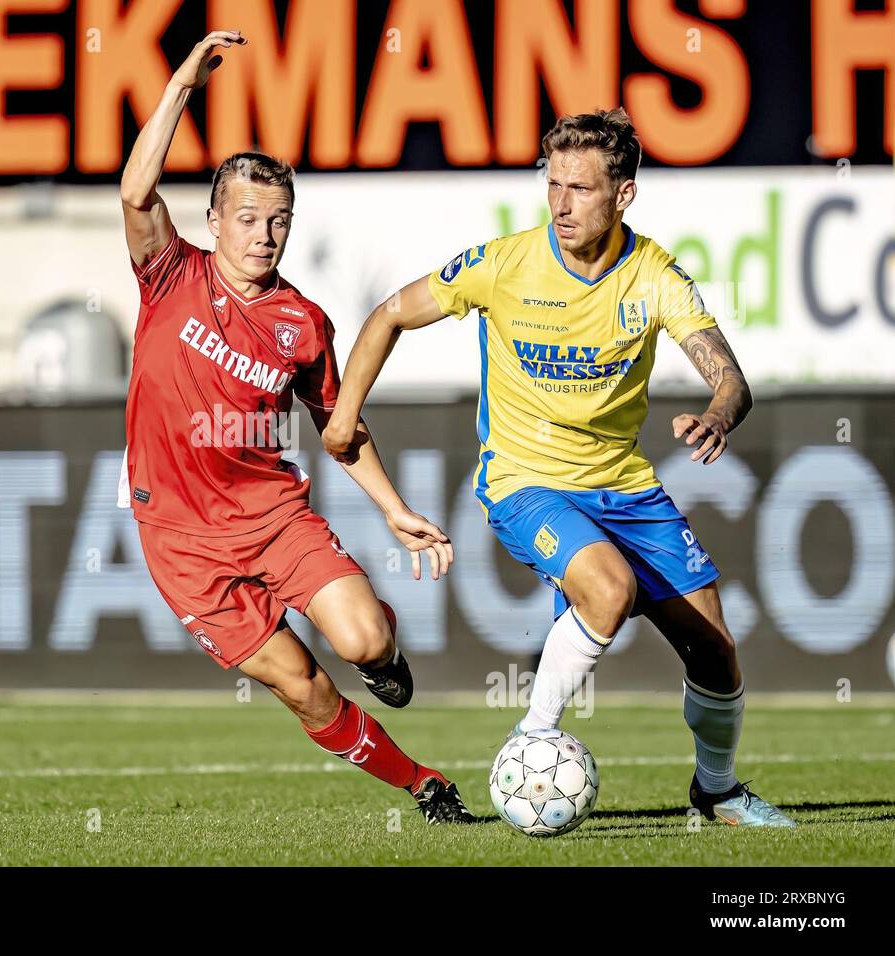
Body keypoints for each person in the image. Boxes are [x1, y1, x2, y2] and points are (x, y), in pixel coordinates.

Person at [324, 109, 794, 827]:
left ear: (624, 194)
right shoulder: (503, 264)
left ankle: (718, 789)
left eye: (580, 187)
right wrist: (343, 414)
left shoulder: (655, 276)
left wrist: (717, 415)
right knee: (607, 589)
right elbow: (389, 313)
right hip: (525, 482)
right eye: (553, 184)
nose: (562, 203)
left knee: (716, 653)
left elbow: (730, 377)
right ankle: (532, 740)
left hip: (625, 485)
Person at [120, 31, 470, 823]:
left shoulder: (303, 323)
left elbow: (338, 425)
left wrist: (393, 509)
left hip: (273, 517)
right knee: (302, 685)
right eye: (246, 217)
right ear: (212, 219)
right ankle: (421, 782)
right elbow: (137, 195)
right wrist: (181, 85)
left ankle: (387, 655)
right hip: (179, 540)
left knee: (361, 644)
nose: (263, 235)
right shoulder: (170, 274)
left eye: (278, 219)